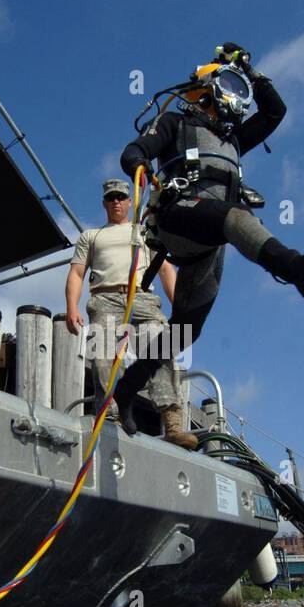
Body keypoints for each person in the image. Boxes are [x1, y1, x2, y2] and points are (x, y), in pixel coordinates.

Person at [111, 41, 304, 434]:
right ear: (208, 89)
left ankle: (127, 389)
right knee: (236, 215)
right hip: (178, 217)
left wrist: (250, 70)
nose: (236, 99)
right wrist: (146, 173)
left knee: (186, 329)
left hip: (211, 240)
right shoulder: (176, 123)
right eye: (230, 87)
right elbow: (133, 150)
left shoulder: (234, 140)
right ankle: (297, 269)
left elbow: (275, 111)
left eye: (241, 92)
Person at [66, 177, 197, 450]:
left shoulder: (145, 231)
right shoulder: (91, 236)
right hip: (105, 297)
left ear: (129, 202)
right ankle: (110, 415)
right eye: (111, 197)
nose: (116, 202)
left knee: (161, 350)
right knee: (102, 355)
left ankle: (172, 423)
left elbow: (165, 270)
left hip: (142, 297)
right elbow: (77, 274)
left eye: (120, 197)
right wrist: (71, 307)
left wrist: (182, 309)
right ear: (104, 203)